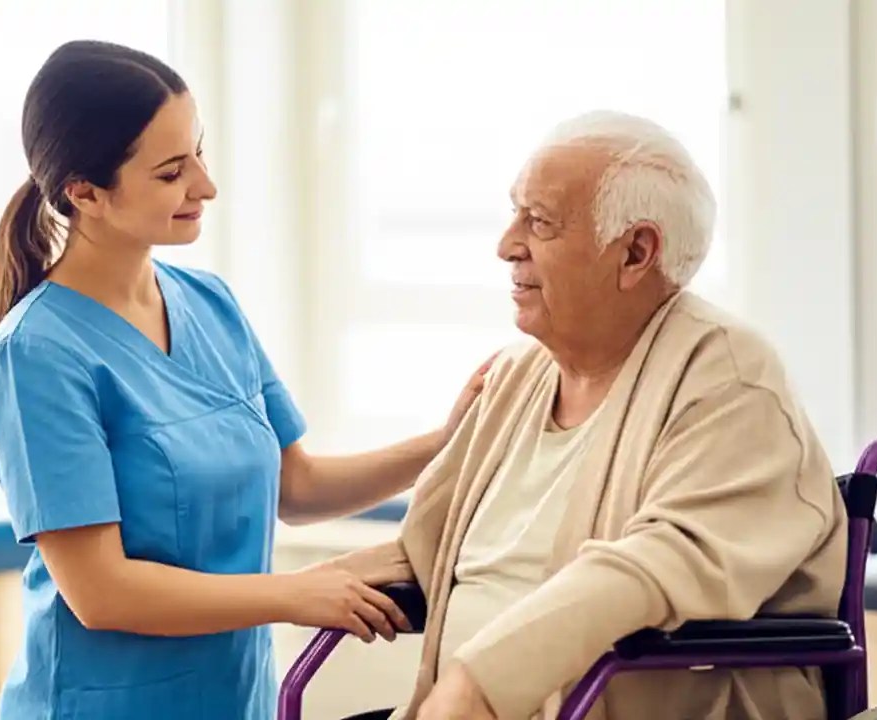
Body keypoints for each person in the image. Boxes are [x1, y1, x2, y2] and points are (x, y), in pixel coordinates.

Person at [0, 40, 489, 720]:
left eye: (200, 154)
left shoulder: (209, 304)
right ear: (84, 192)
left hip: (232, 697)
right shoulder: (38, 355)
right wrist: (295, 592)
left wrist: (452, 440)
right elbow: (100, 593)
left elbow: (297, 486)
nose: (206, 186)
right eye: (170, 173)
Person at [327, 111, 849, 720]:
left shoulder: (730, 378)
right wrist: (273, 598)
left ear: (635, 252)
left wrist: (477, 685)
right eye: (514, 213)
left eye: (540, 222)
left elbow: (658, 563)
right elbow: (425, 551)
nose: (506, 244)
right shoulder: (518, 377)